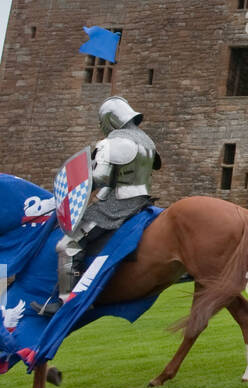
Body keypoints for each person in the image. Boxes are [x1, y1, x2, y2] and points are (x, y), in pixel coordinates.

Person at [33, 96, 160, 314]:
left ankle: (67, 302)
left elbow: (100, 177)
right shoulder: (147, 142)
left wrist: (71, 195)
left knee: (68, 244)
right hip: (142, 198)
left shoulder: (110, 143)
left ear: (109, 120)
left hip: (118, 203)